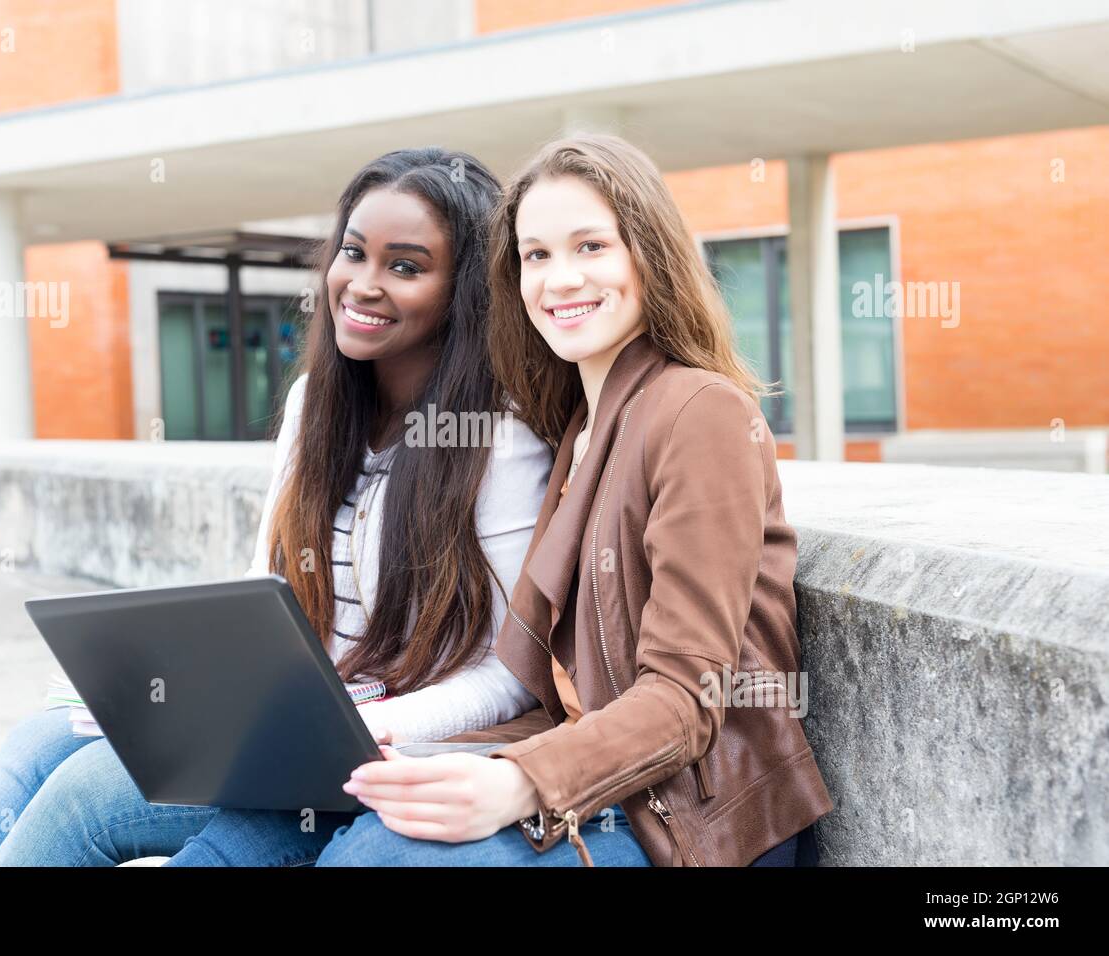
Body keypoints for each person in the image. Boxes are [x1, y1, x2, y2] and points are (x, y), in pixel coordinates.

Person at [0, 146, 552, 866]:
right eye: (353, 253)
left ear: (462, 289)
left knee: (83, 799)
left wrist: (364, 722)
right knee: (41, 739)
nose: (363, 284)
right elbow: (268, 605)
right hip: (284, 732)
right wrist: (174, 692)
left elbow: (510, 672)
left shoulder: (498, 436)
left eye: (405, 266)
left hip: (398, 749)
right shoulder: (317, 404)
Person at [326, 133, 834, 867]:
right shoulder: (579, 427)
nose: (560, 279)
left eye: (591, 247)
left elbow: (687, 699)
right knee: (358, 820)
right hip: (600, 785)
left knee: (371, 859)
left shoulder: (700, 412)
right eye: (537, 255)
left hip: (690, 818)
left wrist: (520, 783)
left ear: (647, 254)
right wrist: (413, 739)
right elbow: (556, 689)